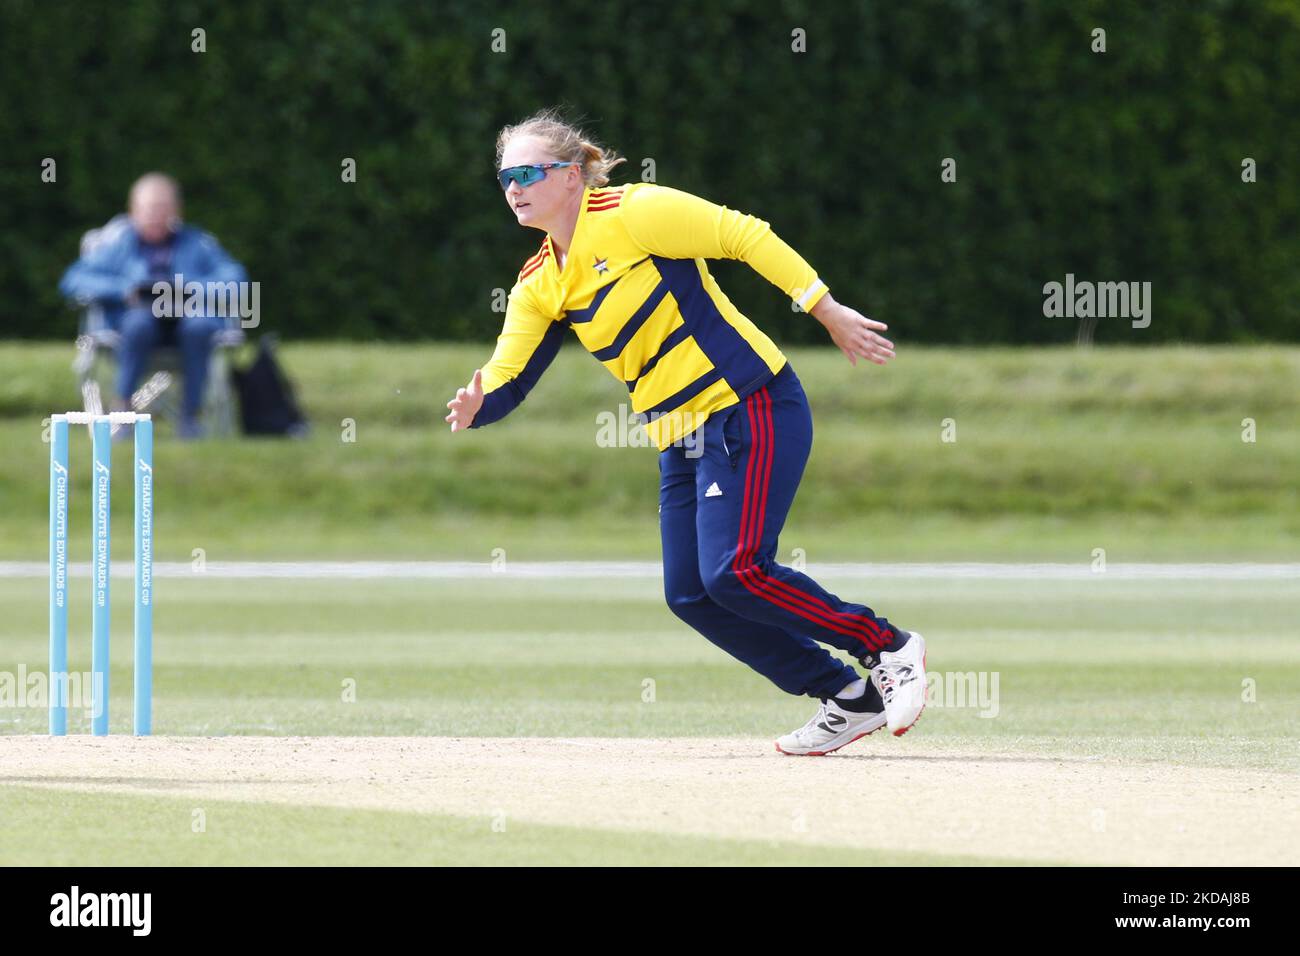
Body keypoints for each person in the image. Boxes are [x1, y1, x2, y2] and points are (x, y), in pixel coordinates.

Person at [445, 109, 928, 755]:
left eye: (529, 172)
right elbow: (510, 376)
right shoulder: (538, 283)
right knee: (693, 593)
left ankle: (888, 646)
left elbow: (744, 234)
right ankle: (847, 696)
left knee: (736, 571)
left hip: (748, 404)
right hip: (681, 436)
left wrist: (827, 310)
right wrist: (479, 405)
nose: (514, 187)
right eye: (505, 177)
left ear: (571, 175)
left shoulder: (634, 212)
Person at [59, 172, 247, 439]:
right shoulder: (118, 246)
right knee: (139, 323)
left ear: (176, 211)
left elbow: (236, 278)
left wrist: (190, 289)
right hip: (135, 326)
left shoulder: (197, 243)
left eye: (163, 208)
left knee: (200, 326)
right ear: (133, 211)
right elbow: (74, 279)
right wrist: (124, 291)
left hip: (188, 320)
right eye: (149, 209)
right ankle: (123, 412)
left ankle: (190, 418)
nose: (156, 216)